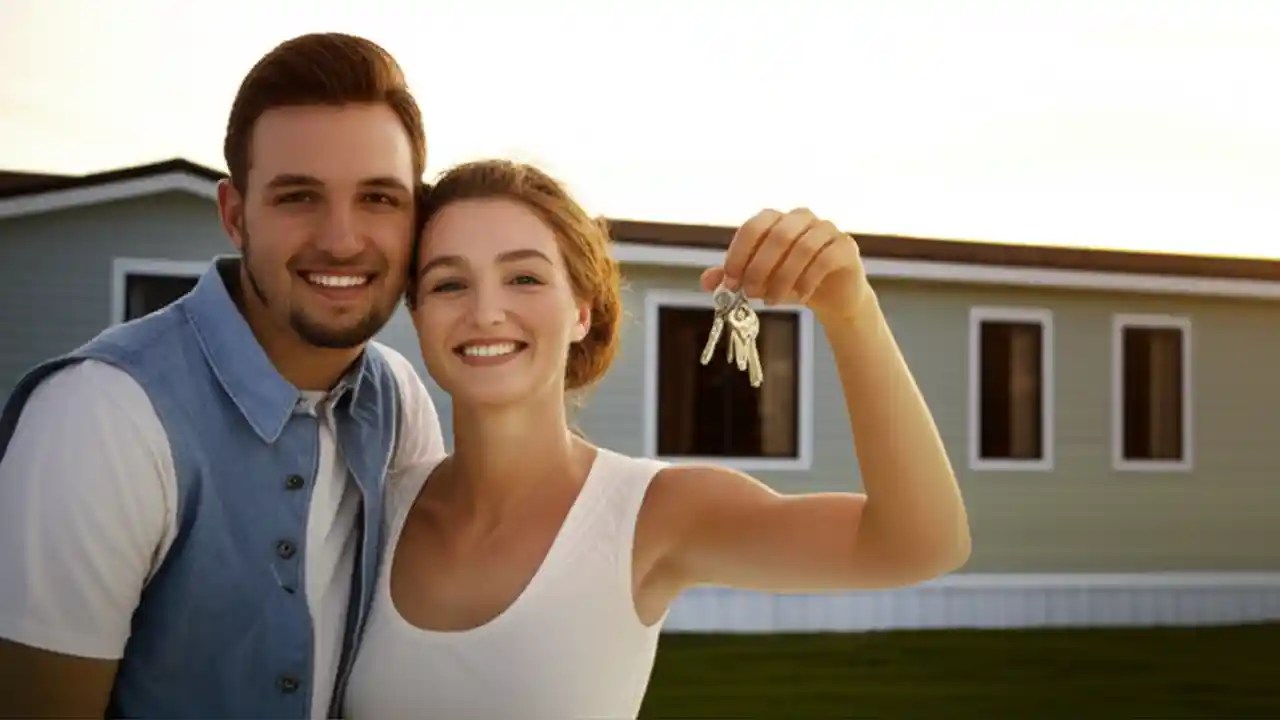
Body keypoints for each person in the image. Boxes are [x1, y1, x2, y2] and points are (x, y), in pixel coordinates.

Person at [341, 159, 972, 719]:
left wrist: (850, 308)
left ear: (582, 311)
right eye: (450, 283)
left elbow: (919, 545)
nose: (485, 311)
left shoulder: (652, 514)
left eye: (525, 279)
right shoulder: (373, 505)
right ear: (417, 314)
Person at [0, 33, 444, 719]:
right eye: (299, 197)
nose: (342, 239)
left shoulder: (398, 399)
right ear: (235, 215)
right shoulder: (99, 417)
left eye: (379, 199)